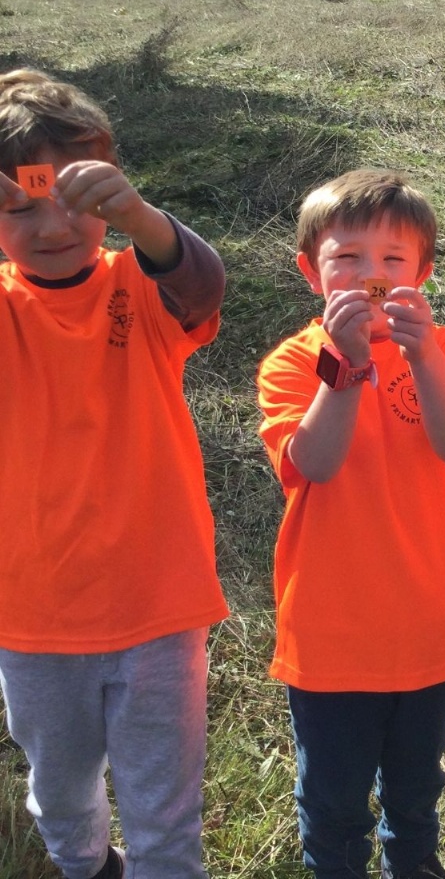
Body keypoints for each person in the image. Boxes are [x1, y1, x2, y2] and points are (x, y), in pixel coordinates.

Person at [0, 68, 228, 879]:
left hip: (157, 605)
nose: (48, 224)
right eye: (16, 205)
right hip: (32, 616)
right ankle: (90, 866)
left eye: (68, 197)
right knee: (61, 794)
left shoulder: (141, 285)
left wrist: (139, 217)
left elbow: (199, 286)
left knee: (164, 806)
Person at [257, 169, 445, 879]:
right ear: (311, 272)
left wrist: (417, 358)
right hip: (332, 635)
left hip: (434, 622)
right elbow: (314, 463)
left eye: (394, 260)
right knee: (332, 797)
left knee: (417, 787)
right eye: (347, 259)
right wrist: (346, 366)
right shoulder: (294, 363)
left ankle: (412, 864)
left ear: (424, 273)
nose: (372, 276)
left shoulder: (444, 349)